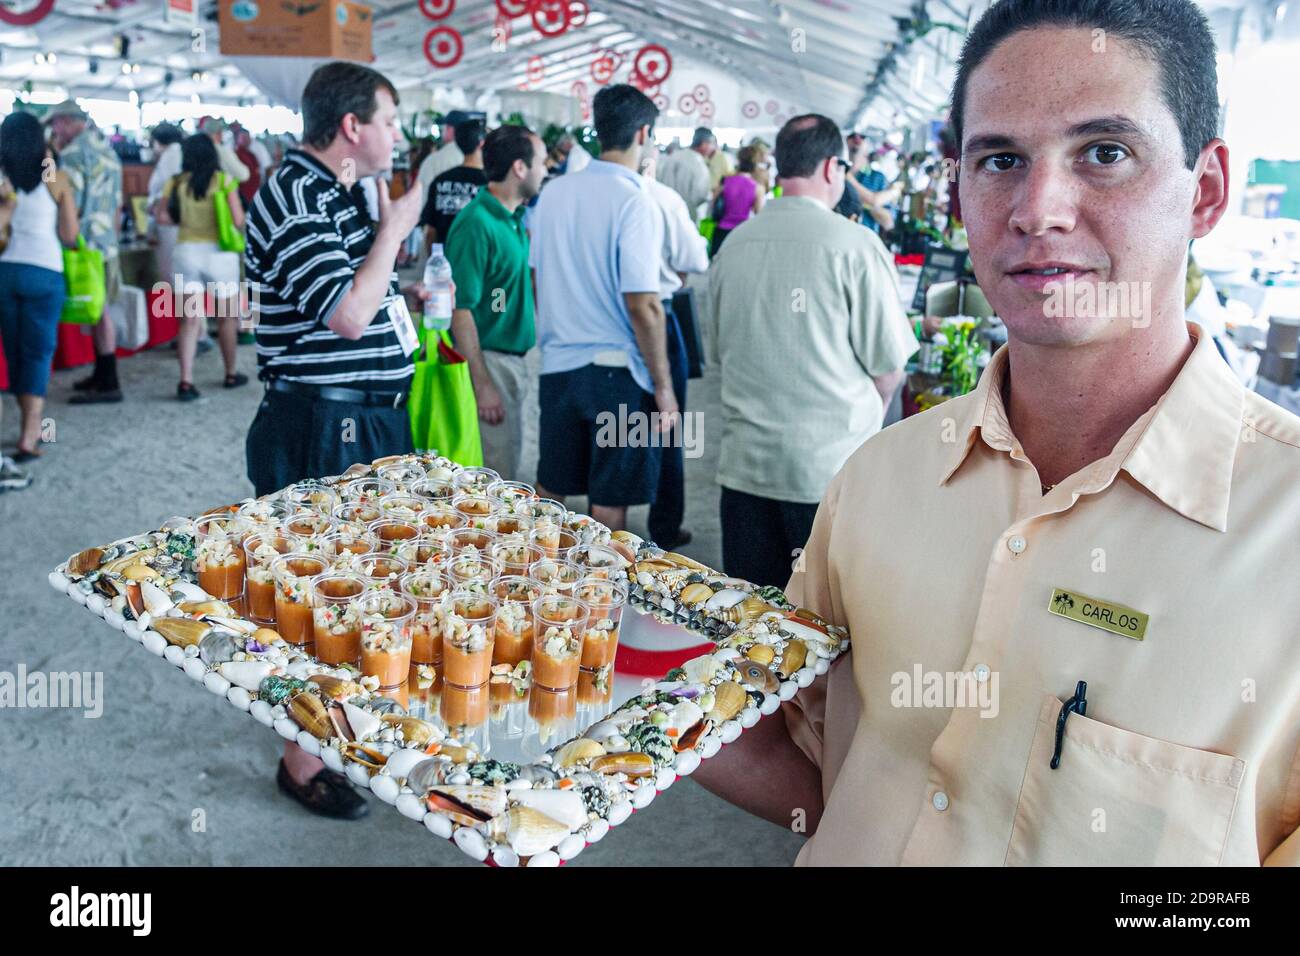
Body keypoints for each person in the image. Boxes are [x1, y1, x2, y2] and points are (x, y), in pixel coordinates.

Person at [695, 0, 1300, 867]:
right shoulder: (881, 479)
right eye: (1001, 159)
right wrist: (601, 691)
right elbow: (829, 774)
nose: (1038, 208)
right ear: (959, 192)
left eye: (1105, 153)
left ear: (1204, 190)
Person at [244, 61, 425, 821]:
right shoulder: (292, 195)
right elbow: (346, 316)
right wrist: (393, 232)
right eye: (389, 120)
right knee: (313, 598)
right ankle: (299, 758)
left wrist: (396, 272)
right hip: (322, 422)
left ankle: (335, 727)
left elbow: (363, 297)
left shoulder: (339, 191)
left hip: (361, 415)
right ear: (352, 127)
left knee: (362, 588)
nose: (397, 134)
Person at [706, 114, 916, 589]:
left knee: (748, 624)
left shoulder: (732, 247)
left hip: (745, 474)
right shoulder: (857, 246)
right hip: (828, 477)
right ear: (831, 168)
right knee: (825, 633)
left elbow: (719, 356)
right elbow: (889, 370)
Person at [528, 84, 676, 532]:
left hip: (557, 370)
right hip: (615, 376)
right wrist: (664, 387)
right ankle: (601, 598)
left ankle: (539, 589)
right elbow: (644, 304)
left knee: (550, 495)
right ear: (643, 133)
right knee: (609, 507)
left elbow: (537, 278)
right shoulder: (635, 199)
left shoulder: (553, 193)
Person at [444, 124, 548, 479]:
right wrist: (482, 383)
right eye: (542, 163)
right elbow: (460, 309)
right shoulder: (476, 223)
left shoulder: (515, 218)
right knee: (493, 479)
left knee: (509, 465)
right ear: (520, 168)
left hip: (513, 363)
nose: (545, 171)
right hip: (491, 361)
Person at [0, 111, 79, 488]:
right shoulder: (54, 179)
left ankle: (23, 426)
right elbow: (70, 235)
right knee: (38, 352)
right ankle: (30, 435)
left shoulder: (2, 178)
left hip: (4, 272)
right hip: (45, 273)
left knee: (13, 351)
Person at [641, 149, 709, 549]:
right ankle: (664, 526)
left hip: (605, 323)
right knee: (667, 425)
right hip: (660, 313)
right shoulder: (663, 199)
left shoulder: (577, 193)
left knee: (616, 426)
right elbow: (695, 258)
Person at [155, 134, 248, 400]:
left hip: (185, 253)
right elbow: (238, 218)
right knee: (227, 318)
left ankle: (185, 381)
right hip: (219, 255)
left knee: (189, 321)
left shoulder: (176, 183)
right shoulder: (223, 181)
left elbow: (162, 216)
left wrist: (185, 222)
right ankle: (230, 373)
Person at [47, 102, 123, 405]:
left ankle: (108, 382)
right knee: (101, 311)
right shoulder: (107, 151)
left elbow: (70, 206)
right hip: (107, 244)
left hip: (84, 247)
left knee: (98, 312)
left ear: (66, 122)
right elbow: (118, 203)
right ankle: (103, 374)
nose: (54, 131)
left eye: (55, 125)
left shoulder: (72, 156)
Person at [421, 118, 486, 247]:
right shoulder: (489, 184)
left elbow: (431, 232)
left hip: (444, 259)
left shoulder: (440, 181)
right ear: (482, 143)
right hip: (476, 258)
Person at [709, 142, 767, 255]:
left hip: (721, 232)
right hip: (742, 233)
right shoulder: (757, 188)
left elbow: (712, 205)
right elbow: (758, 213)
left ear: (739, 160)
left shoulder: (724, 182)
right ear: (756, 163)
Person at [657, 126, 714, 222]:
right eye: (712, 144)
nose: (713, 148)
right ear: (704, 144)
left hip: (665, 213)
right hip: (687, 217)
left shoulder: (673, 156)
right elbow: (700, 196)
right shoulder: (699, 165)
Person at [416, 110, 472, 193]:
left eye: (444, 128)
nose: (442, 131)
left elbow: (421, 192)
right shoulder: (473, 159)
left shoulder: (433, 160)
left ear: (450, 130)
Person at [198, 116, 250, 186]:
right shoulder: (222, 151)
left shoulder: (195, 148)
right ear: (219, 133)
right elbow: (243, 175)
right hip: (217, 193)